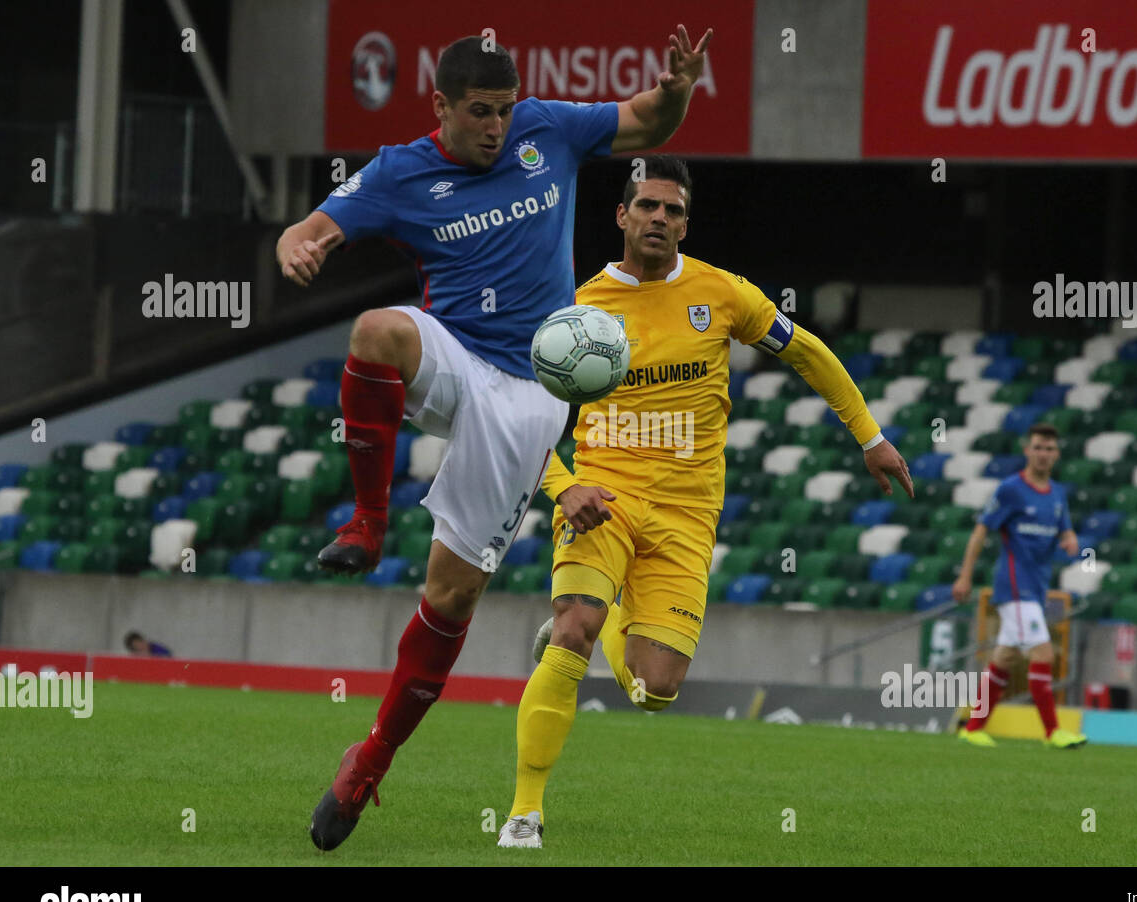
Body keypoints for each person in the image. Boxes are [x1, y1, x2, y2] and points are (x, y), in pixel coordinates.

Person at [276, 27, 715, 852]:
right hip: (457, 357)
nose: (497, 128)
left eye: (505, 112)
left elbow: (648, 123)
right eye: (480, 113)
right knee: (375, 329)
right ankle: (367, 521)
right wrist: (301, 250)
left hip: (528, 396)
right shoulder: (403, 171)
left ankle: (370, 759)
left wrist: (681, 87)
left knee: (450, 599)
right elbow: (306, 231)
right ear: (440, 106)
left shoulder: (548, 127)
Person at [497, 156, 915, 848]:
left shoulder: (720, 293)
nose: (660, 218)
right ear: (622, 216)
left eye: (674, 210)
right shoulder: (578, 311)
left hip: (688, 512)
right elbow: (521, 418)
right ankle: (524, 812)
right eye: (648, 206)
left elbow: (806, 350)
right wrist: (564, 487)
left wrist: (868, 435)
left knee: (655, 689)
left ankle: (604, 624)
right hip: (605, 494)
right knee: (572, 626)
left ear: (686, 223)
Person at [952, 423, 1088, 749]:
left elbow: (1064, 531)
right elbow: (982, 530)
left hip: (1037, 589)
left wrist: (1070, 539)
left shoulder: (1056, 495)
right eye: (1038, 447)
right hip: (1014, 588)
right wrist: (965, 575)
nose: (1043, 454)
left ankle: (972, 728)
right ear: (1027, 450)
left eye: (1049, 448)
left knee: (1004, 659)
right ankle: (1052, 732)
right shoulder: (1010, 490)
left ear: (1056, 454)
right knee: (1042, 652)